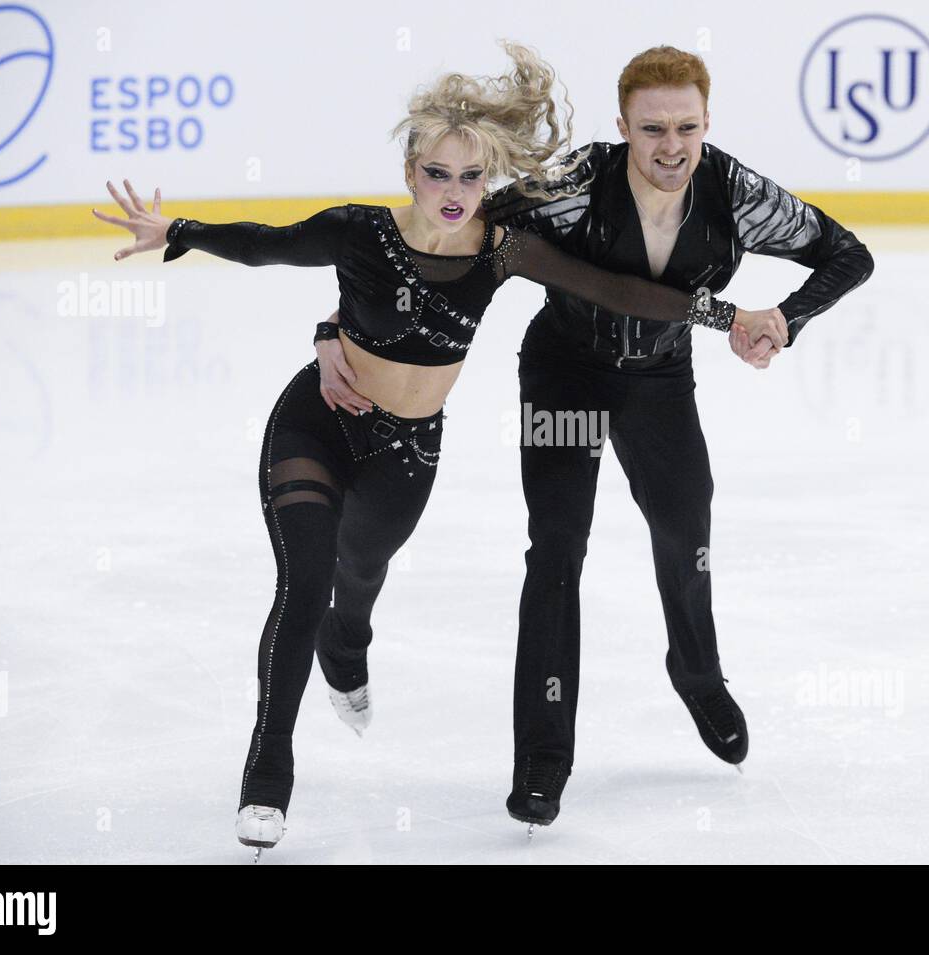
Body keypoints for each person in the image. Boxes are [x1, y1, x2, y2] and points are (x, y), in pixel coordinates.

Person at [92, 41, 783, 858]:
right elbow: (267, 241)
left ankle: (349, 646)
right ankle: (267, 778)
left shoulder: (502, 247)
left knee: (358, 577)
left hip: (407, 452)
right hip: (318, 420)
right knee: (304, 578)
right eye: (436, 174)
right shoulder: (357, 232)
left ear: (486, 177)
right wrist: (180, 230)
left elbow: (616, 289)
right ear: (410, 172)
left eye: (470, 176)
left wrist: (723, 314)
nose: (453, 193)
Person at [317, 45, 874, 831]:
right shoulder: (579, 183)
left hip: (658, 388)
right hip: (567, 375)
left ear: (707, 123)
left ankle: (696, 669)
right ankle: (542, 756)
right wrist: (334, 323)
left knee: (687, 531)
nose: (670, 146)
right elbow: (446, 233)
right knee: (557, 547)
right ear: (623, 127)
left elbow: (849, 254)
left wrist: (785, 317)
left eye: (686, 127)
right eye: (652, 129)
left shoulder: (737, 193)